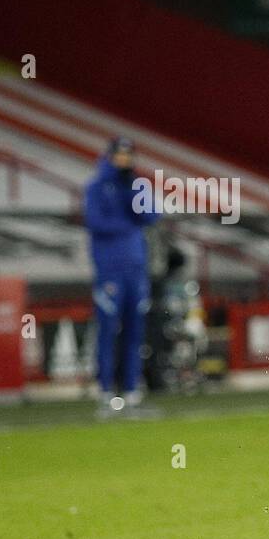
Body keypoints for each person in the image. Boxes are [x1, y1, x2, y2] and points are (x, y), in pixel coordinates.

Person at [83, 136, 158, 416]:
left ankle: (131, 390)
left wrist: (133, 190)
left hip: (136, 269)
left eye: (129, 155)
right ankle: (105, 391)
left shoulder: (135, 184)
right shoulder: (97, 186)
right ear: (111, 155)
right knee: (107, 330)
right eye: (120, 155)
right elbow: (95, 222)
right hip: (109, 270)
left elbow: (151, 215)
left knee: (135, 331)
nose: (125, 160)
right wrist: (128, 222)